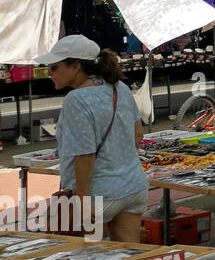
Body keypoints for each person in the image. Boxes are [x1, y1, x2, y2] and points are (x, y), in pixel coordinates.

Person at [38, 35, 149, 242]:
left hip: (99, 194)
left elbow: (84, 156)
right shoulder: (120, 88)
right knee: (128, 259)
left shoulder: (76, 100)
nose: (49, 73)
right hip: (134, 186)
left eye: (54, 67)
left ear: (75, 66)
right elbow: (138, 134)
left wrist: (81, 199)